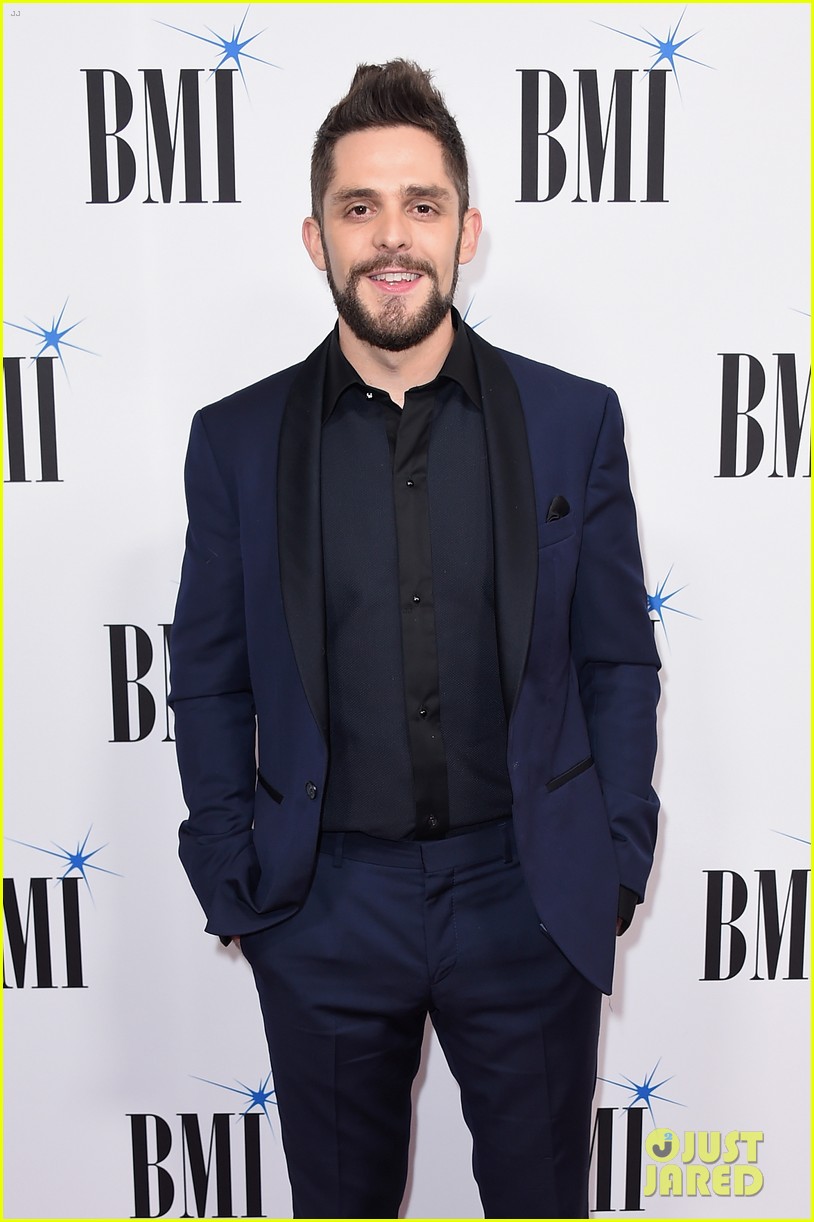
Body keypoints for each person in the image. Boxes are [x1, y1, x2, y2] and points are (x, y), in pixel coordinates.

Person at [169, 59, 660, 1220]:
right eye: (359, 208)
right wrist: (237, 876)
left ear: (466, 229)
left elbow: (616, 661)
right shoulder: (234, 442)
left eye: (420, 206)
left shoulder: (570, 419)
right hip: (324, 907)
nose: (392, 238)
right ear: (315, 237)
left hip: (526, 897)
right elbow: (208, 676)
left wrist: (617, 855)